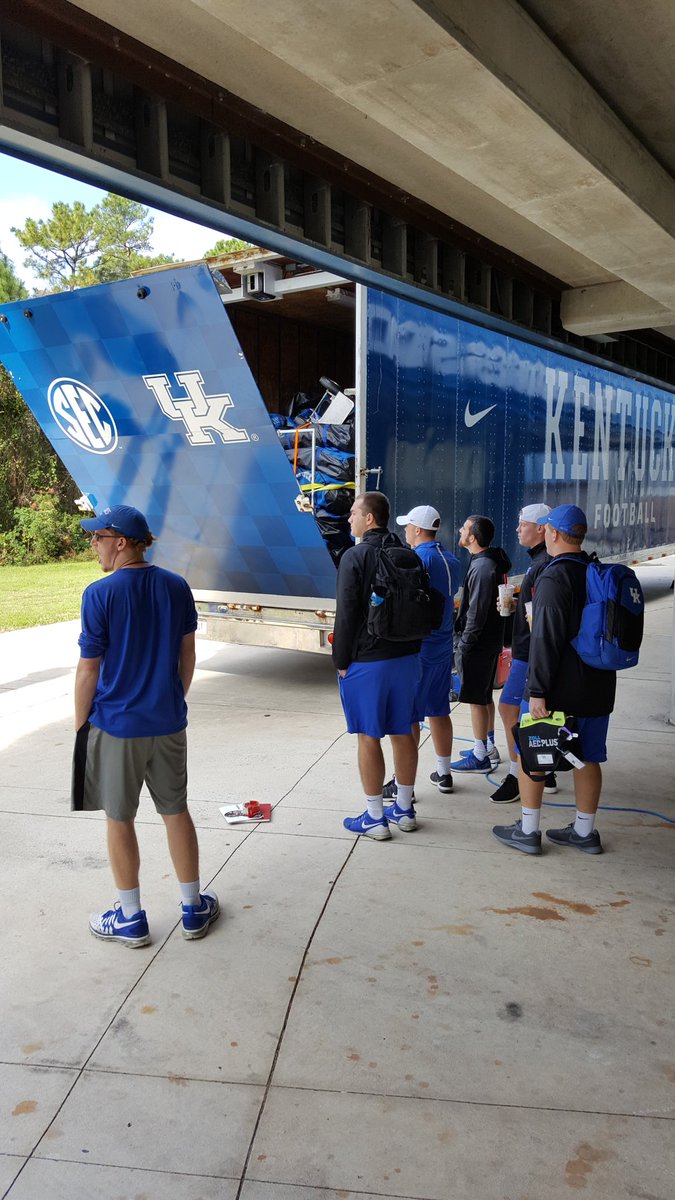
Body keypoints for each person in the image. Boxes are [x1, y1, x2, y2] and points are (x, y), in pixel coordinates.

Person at [72, 504, 219, 945]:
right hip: (168, 722)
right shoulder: (177, 586)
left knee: (119, 818)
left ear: (121, 542)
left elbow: (88, 671)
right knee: (175, 810)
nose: (94, 544)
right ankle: (193, 908)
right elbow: (187, 655)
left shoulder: (99, 594)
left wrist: (82, 728)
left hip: (117, 727)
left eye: (98, 537)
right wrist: (174, 698)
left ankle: (131, 918)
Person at [492, 504, 615, 855]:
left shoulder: (553, 576)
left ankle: (528, 831)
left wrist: (538, 691)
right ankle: (584, 832)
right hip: (599, 683)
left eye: (545, 528)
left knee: (536, 755)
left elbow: (545, 639)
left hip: (561, 686)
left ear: (555, 534)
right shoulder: (595, 570)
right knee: (588, 757)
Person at [332, 491, 421, 839]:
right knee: (403, 731)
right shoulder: (408, 554)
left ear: (370, 518)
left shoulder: (354, 556)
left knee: (369, 736)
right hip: (408, 658)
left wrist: (341, 661)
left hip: (368, 661)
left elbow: (347, 614)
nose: (349, 518)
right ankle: (404, 807)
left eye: (354, 513)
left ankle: (374, 816)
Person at [383, 504, 461, 798]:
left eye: (407, 527)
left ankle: (404, 784)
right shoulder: (452, 560)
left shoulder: (418, 560)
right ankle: (444, 772)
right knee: (439, 709)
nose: (405, 531)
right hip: (443, 645)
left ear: (417, 529)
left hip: (421, 647)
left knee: (410, 716)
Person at [490, 502, 557, 803]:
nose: (517, 529)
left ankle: (519, 775)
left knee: (509, 709)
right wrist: (517, 610)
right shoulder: (541, 561)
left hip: (529, 654)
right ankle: (546, 768)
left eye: (522, 524)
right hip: (530, 651)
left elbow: (543, 619)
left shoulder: (542, 565)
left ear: (541, 528)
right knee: (534, 714)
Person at [451, 515, 511, 773]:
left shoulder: (483, 568)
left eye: (464, 528)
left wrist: (465, 644)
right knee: (484, 696)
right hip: (487, 642)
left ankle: (480, 756)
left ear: (473, 538)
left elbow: (476, 613)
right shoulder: (486, 562)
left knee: (476, 698)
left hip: (478, 644)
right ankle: (488, 747)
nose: (460, 531)